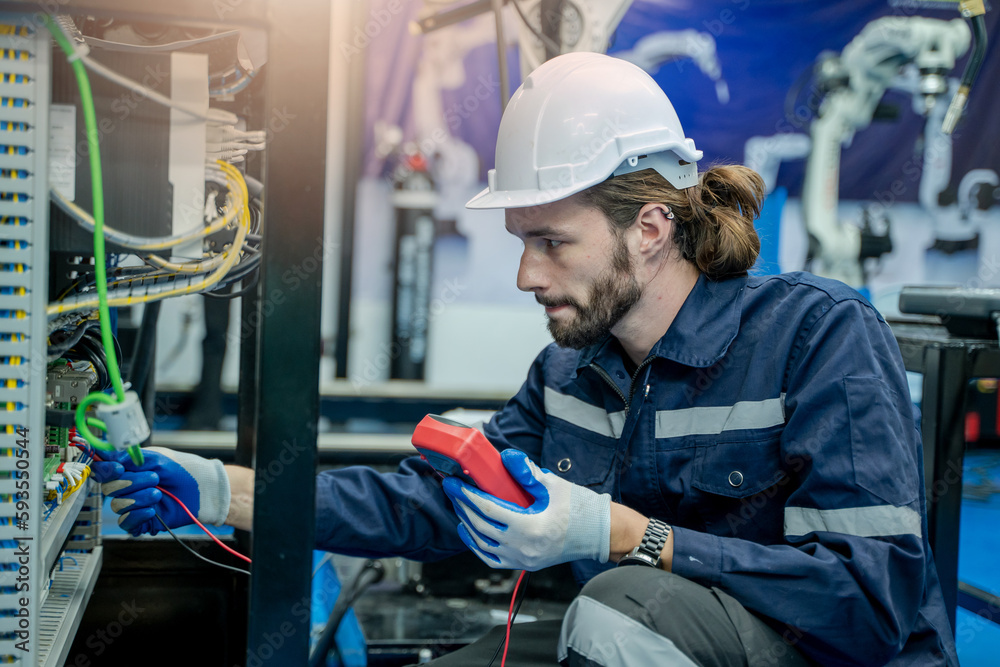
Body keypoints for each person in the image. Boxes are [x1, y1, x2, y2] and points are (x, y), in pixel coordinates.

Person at [92, 52, 957, 666]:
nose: (524, 274)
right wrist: (220, 489)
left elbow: (869, 604)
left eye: (551, 241)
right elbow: (429, 505)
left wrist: (625, 536)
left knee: (621, 608)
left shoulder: (819, 339)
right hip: (626, 637)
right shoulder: (572, 374)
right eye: (520, 241)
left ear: (649, 230)